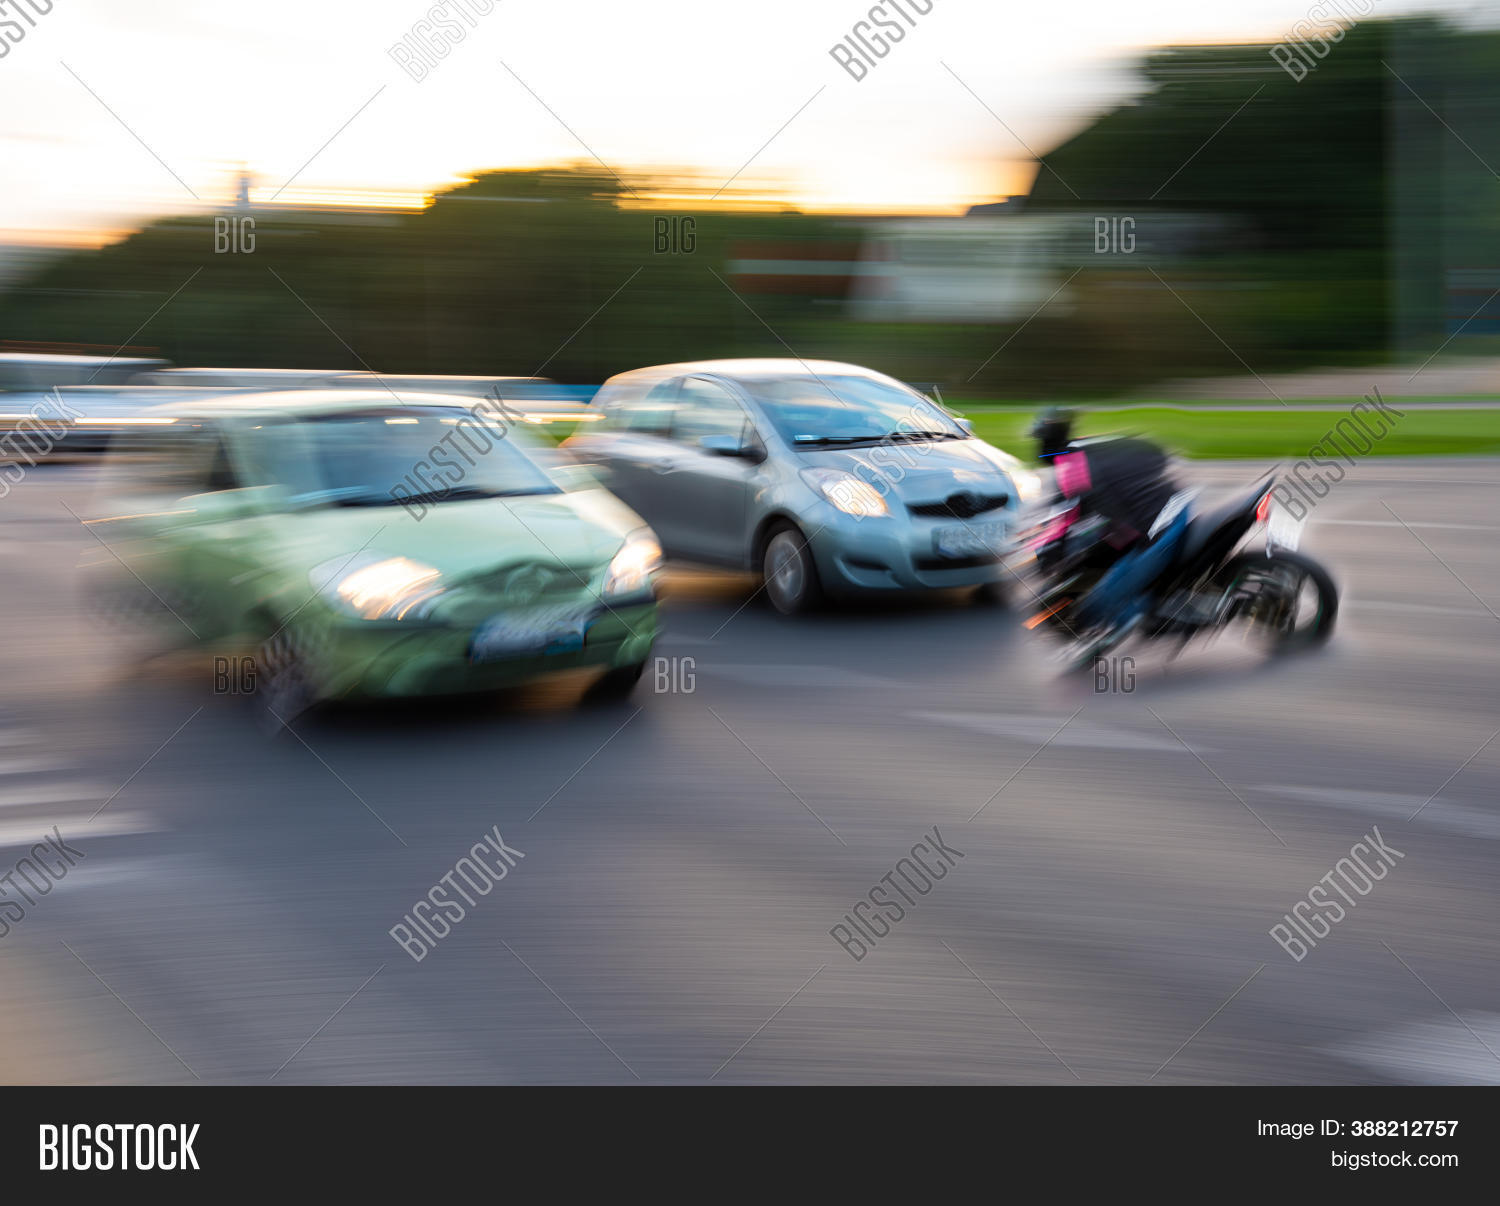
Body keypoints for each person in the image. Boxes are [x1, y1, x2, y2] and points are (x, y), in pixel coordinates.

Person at [1029, 408, 1192, 646]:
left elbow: (1064, 518)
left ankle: (1138, 620)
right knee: (1097, 548)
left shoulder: (1071, 466)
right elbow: (1155, 453)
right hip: (1171, 502)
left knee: (1110, 594)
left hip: (1160, 522)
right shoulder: (1083, 449)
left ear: (1046, 441)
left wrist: (1049, 556)